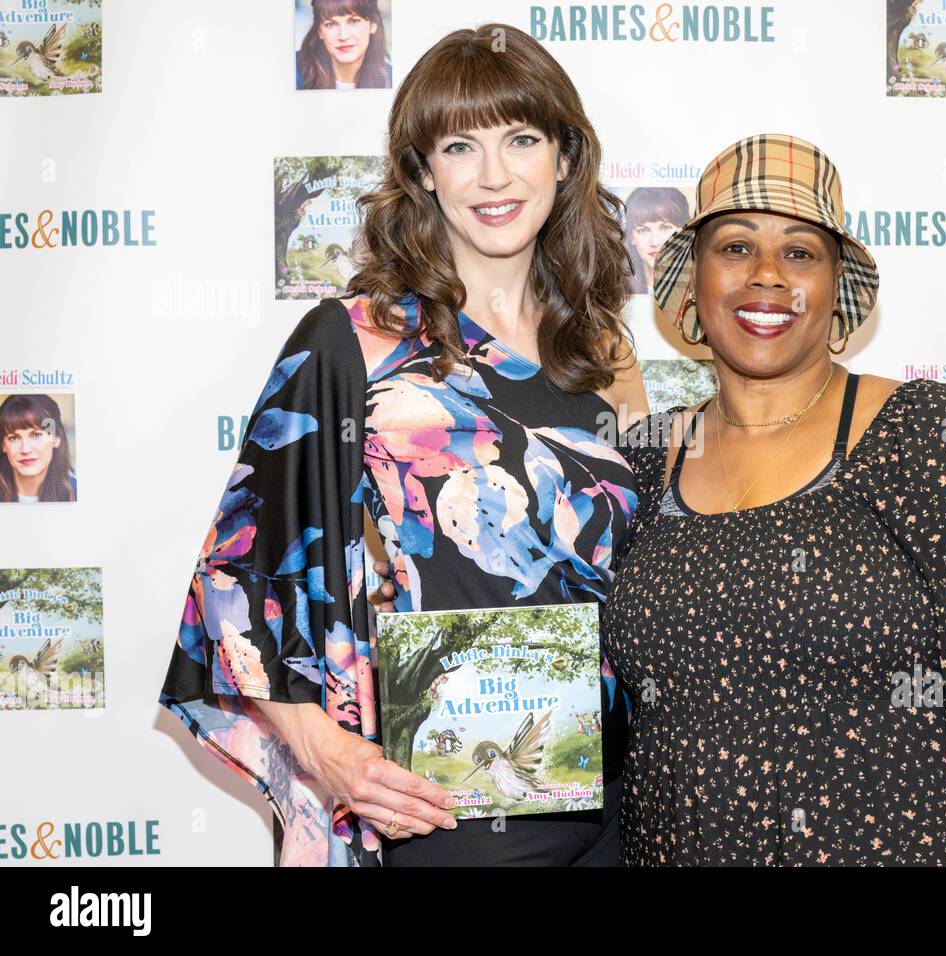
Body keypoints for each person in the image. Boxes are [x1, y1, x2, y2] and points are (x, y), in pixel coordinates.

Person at [159, 23, 648, 867]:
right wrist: (329, 755)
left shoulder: (604, 351)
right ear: (423, 172)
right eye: (460, 146)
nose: (494, 176)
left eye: (522, 139)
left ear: (565, 158)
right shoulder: (355, 342)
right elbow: (235, 585)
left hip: (613, 809)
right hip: (439, 811)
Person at [603, 133, 946, 865]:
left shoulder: (929, 434)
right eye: (736, 247)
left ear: (836, 285)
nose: (769, 276)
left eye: (801, 252)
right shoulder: (644, 459)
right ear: (691, 282)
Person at [295, 0, 392, 90]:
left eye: (354, 21)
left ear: (373, 24)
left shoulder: (391, 78)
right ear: (320, 31)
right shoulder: (294, 72)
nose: (343, 36)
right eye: (331, 24)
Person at [0, 393, 76, 503]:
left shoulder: (79, 492)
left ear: (56, 438)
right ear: (3, 445)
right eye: (14, 438)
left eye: (36, 435)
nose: (25, 449)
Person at [622, 187, 690, 294]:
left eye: (665, 228)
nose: (655, 241)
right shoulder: (617, 291)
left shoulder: (702, 289)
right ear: (631, 237)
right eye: (643, 230)